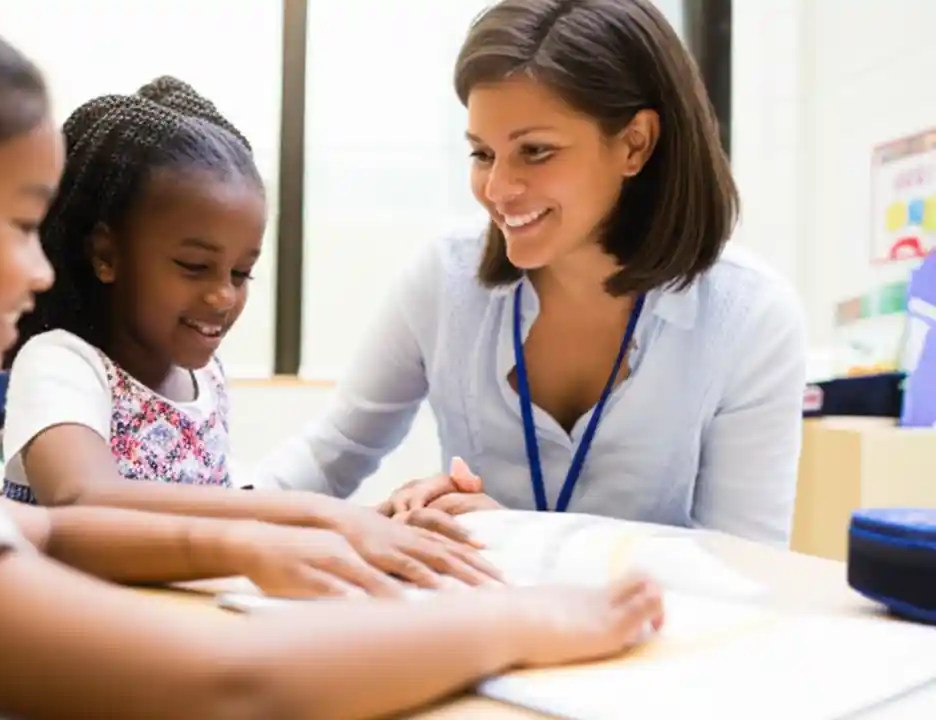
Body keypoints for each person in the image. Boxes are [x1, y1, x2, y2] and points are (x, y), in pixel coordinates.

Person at [0, 1, 664, 717]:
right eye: (19, 225)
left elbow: (40, 536)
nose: (33, 269)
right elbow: (226, 686)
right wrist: (523, 623)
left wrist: (277, 530)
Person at [256, 0, 806, 546]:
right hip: (481, 628)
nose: (497, 189)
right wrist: (202, 526)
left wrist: (518, 536)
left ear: (635, 143)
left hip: (666, 634)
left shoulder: (752, 318)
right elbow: (327, 458)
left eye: (536, 151)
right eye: (482, 154)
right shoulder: (444, 280)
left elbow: (746, 561)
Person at [2, 77, 499, 587]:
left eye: (241, 274)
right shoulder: (61, 363)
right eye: (194, 266)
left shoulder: (206, 381)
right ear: (106, 255)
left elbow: (232, 505)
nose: (223, 295)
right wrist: (327, 517)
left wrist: (379, 522)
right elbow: (84, 500)